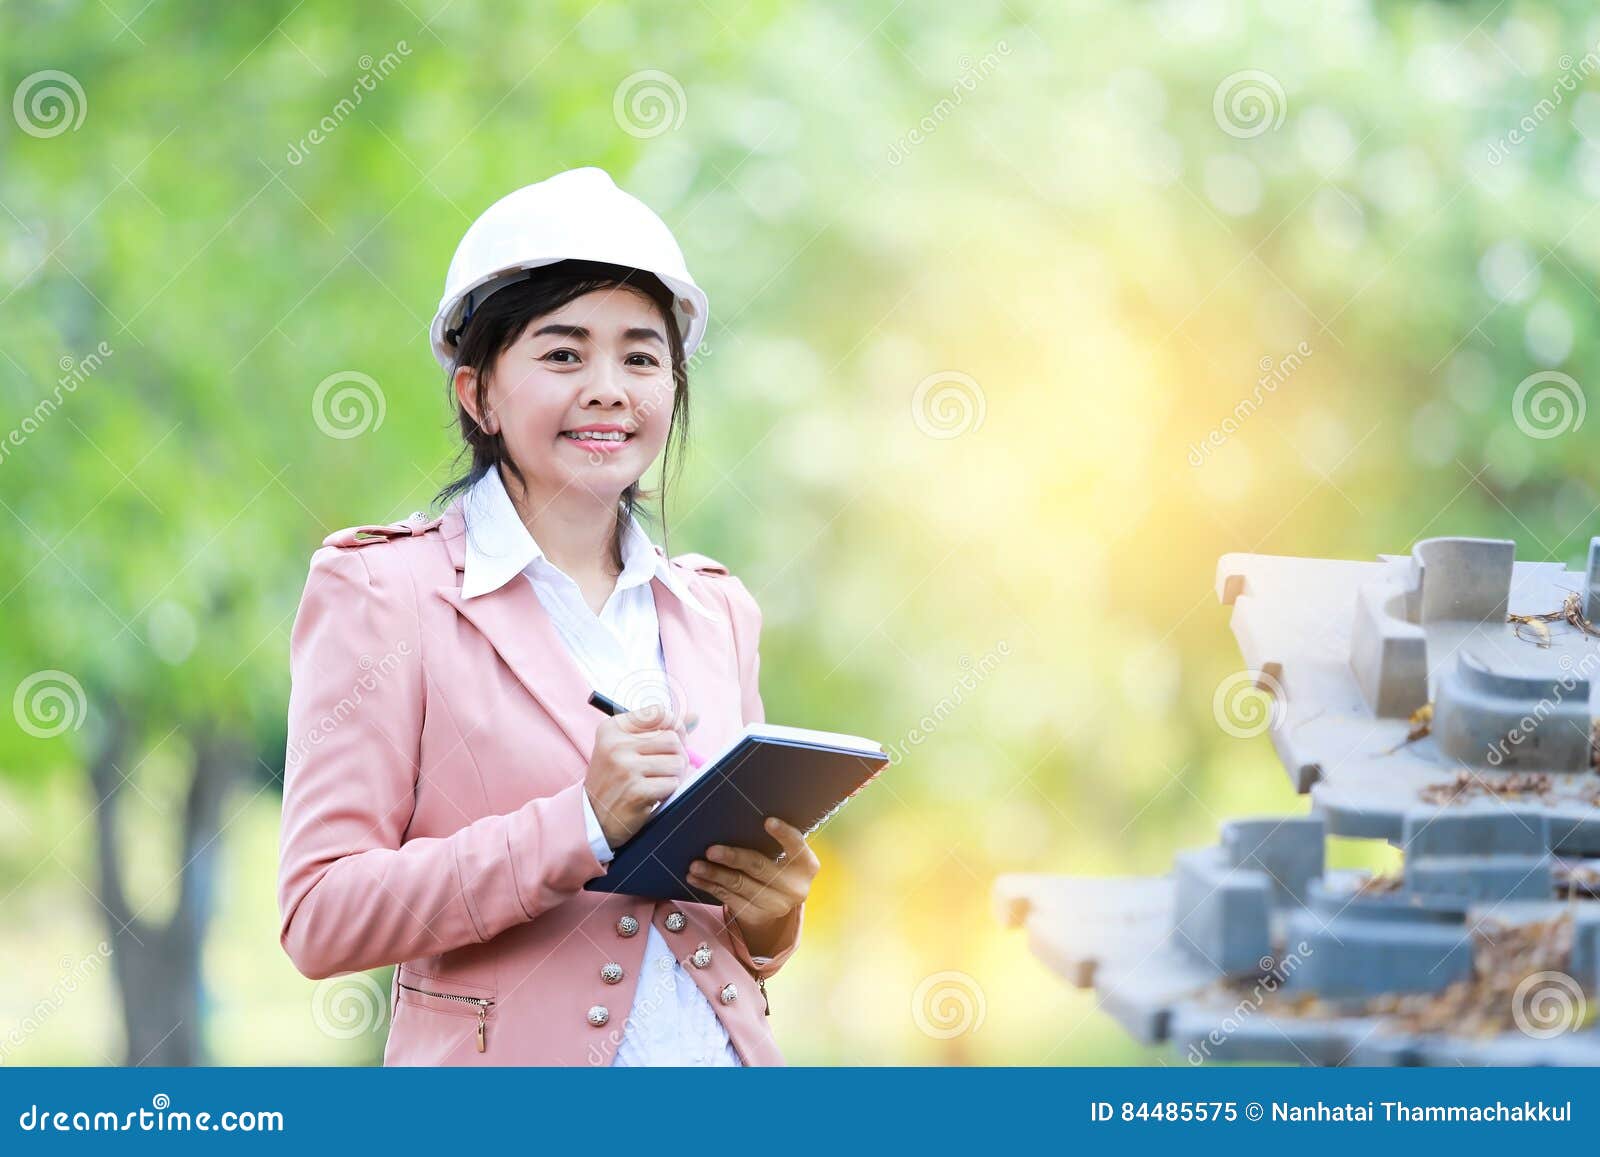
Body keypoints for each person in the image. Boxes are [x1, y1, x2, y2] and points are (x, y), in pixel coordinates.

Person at [276, 167, 818, 1065]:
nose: (610, 387)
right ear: (477, 393)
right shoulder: (386, 591)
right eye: (564, 353)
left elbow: (728, 930)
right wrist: (578, 824)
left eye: (642, 357)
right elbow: (319, 915)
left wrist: (771, 913)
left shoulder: (717, 609)